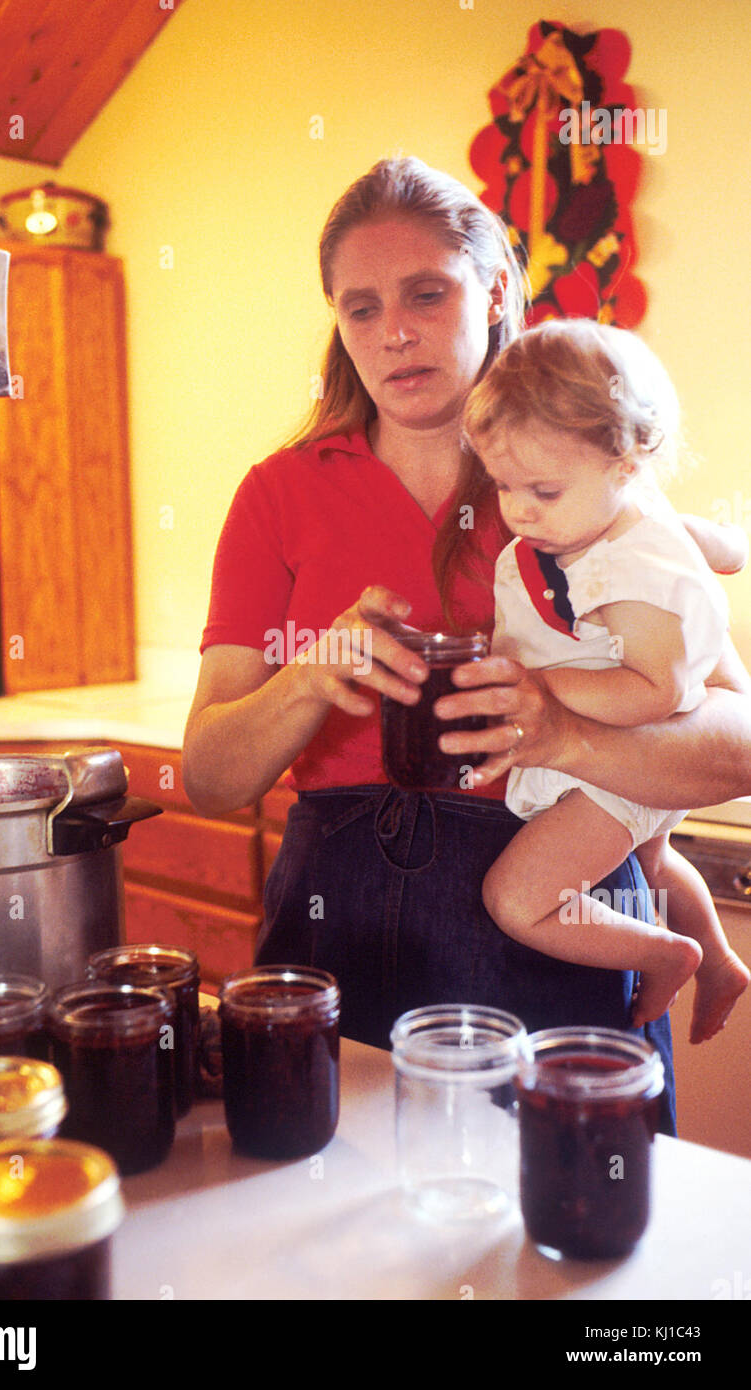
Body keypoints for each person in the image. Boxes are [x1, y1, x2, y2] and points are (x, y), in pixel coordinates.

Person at [182, 157, 751, 1135]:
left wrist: (560, 732)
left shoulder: (571, 479)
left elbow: (733, 741)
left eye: (425, 292)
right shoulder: (278, 492)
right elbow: (205, 777)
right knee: (331, 1236)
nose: (393, 330)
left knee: (578, 1244)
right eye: (359, 308)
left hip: (548, 897)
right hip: (338, 910)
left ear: (492, 291)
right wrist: (315, 671)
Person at [457, 318, 750, 1043]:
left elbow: (653, 691)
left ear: (624, 463)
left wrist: (541, 687)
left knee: (518, 899)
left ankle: (666, 953)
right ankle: (717, 957)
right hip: (636, 771)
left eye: (544, 490)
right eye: (503, 485)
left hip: (614, 763)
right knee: (653, 865)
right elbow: (728, 549)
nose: (519, 510)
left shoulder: (622, 572)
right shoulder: (635, 520)